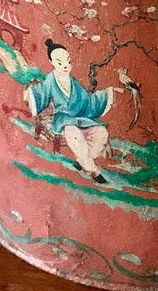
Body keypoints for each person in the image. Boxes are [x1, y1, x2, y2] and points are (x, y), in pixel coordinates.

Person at [24, 39, 117, 184]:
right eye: (60, 63)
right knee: (74, 136)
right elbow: (41, 92)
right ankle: (93, 171)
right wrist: (29, 94)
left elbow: (87, 101)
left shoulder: (73, 81)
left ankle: (82, 160)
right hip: (64, 121)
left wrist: (107, 93)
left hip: (80, 118)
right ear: (52, 62)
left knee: (101, 133)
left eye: (68, 61)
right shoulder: (51, 80)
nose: (66, 66)